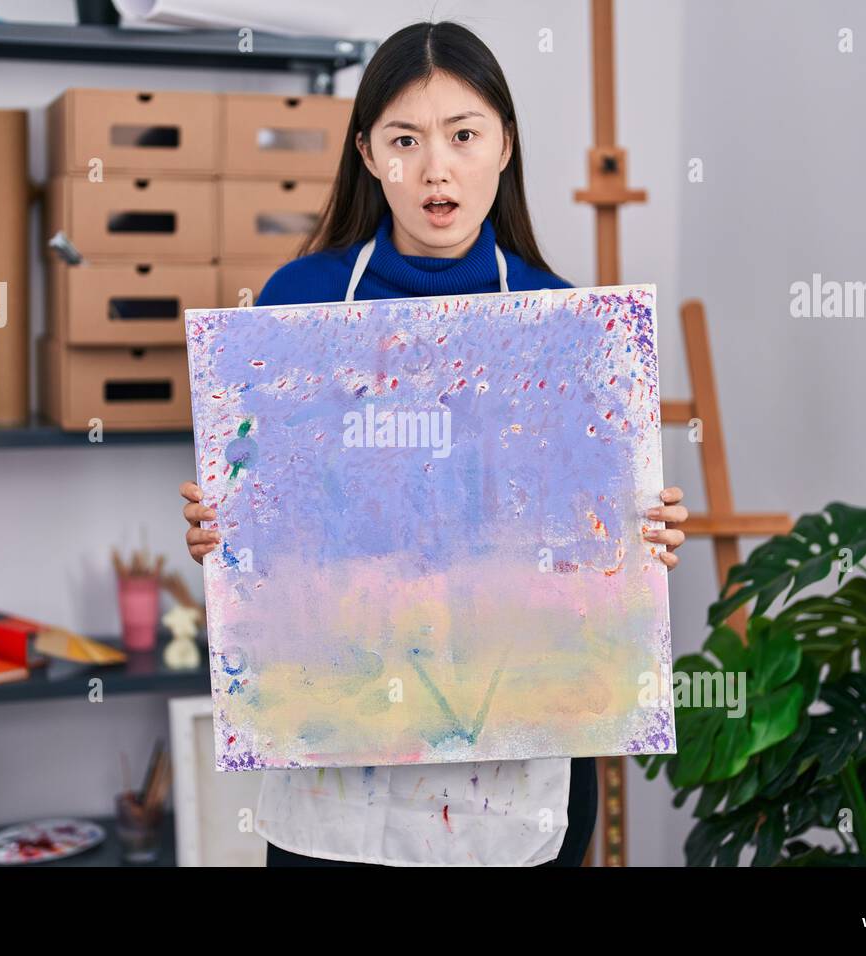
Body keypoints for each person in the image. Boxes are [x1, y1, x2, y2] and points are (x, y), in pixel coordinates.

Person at [180, 20, 688, 867]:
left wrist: (640, 534)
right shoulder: (292, 305)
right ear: (369, 154)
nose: (435, 168)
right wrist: (219, 525)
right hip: (332, 769)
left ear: (504, 147)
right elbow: (255, 514)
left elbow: (588, 551)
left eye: (463, 135)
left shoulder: (569, 323)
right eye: (405, 140)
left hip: (513, 773)